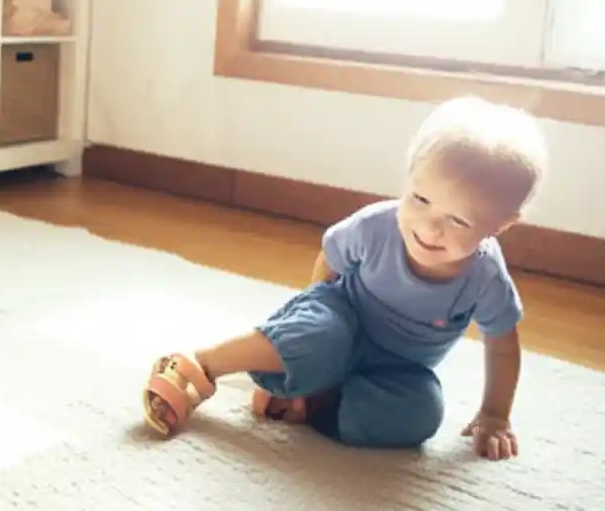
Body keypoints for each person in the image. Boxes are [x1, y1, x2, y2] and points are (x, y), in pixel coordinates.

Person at [142, 96, 548, 462]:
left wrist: (495, 415)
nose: (429, 226)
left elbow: (502, 347)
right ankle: (204, 364)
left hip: (398, 366)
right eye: (420, 199)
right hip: (343, 320)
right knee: (319, 337)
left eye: (458, 219)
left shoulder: (485, 277)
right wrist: (309, 319)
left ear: (501, 224)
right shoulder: (375, 227)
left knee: (422, 413)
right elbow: (329, 260)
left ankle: (311, 399)